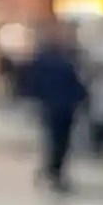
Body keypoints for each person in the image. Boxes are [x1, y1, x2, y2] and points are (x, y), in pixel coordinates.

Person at [28, 21, 87, 193]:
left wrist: (81, 97)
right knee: (55, 141)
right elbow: (36, 80)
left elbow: (77, 81)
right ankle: (54, 172)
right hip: (53, 105)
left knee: (63, 141)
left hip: (67, 105)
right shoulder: (48, 57)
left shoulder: (71, 55)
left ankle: (53, 170)